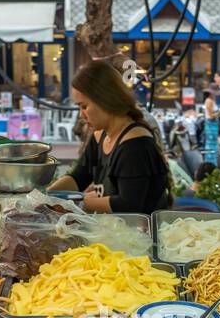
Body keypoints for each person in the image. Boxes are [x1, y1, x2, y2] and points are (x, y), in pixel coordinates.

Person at [48, 60, 171, 214]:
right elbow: (78, 177)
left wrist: (82, 202)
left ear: (105, 100)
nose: (81, 114)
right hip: (114, 228)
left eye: (84, 106)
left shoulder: (135, 146)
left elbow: (128, 204)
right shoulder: (101, 135)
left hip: (141, 234)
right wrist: (45, 196)